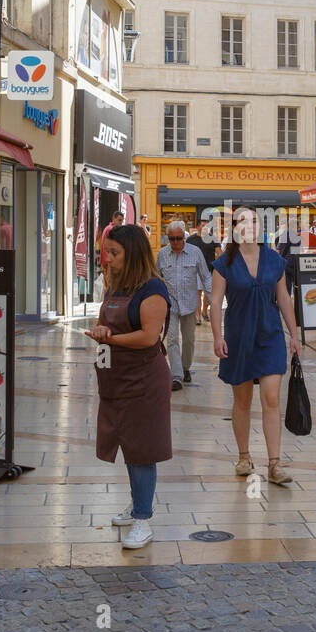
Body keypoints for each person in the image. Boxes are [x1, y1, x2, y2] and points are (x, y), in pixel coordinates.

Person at [84, 224, 172, 549]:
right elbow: (104, 321)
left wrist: (111, 338)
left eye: (114, 253)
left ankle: (143, 521)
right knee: (125, 443)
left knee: (142, 450)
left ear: (132, 253)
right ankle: (137, 505)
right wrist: (99, 330)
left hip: (144, 380)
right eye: (106, 252)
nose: (106, 259)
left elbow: (149, 336)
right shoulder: (115, 287)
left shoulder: (153, 289)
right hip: (115, 377)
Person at [210, 205, 301, 485]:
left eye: (253, 221)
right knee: (243, 401)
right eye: (243, 221)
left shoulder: (274, 260)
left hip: (269, 334)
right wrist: (217, 336)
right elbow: (215, 302)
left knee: (271, 399)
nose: (248, 226)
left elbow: (284, 298)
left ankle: (275, 464)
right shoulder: (224, 263)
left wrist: (294, 334)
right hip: (238, 337)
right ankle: (244, 457)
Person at [157, 220, 211, 389]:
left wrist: (212, 299)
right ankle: (177, 376)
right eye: (171, 239)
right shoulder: (162, 254)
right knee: (172, 339)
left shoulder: (195, 253)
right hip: (170, 304)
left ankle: (185, 367)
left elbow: (205, 276)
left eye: (178, 238)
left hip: (189, 304)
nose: (175, 242)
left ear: (184, 237)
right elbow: (156, 278)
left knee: (189, 339)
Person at [186, 219, 219, 323]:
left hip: (209, 270)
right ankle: (198, 316)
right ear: (198, 227)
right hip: (195, 270)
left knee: (207, 294)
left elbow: (219, 252)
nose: (205, 227)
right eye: (203, 225)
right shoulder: (191, 239)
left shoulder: (212, 238)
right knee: (197, 293)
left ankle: (205, 312)